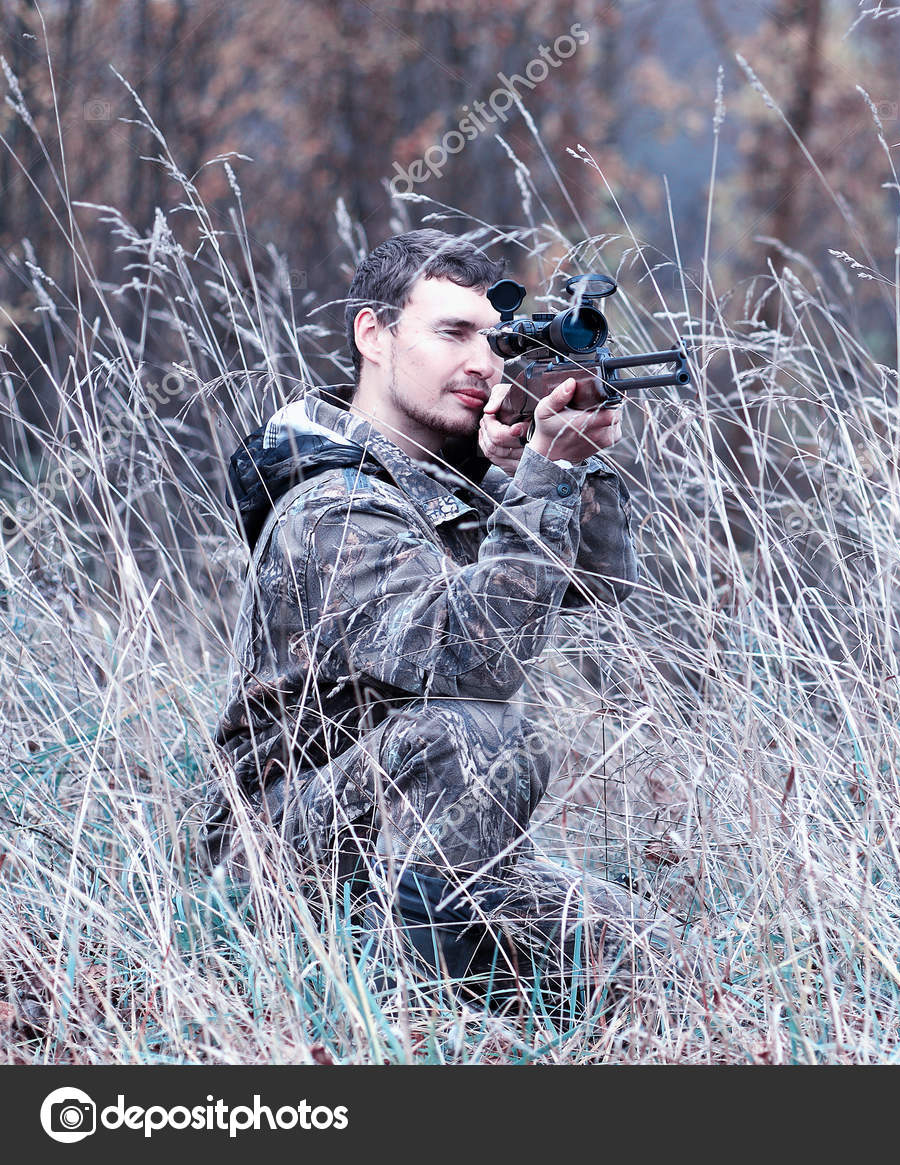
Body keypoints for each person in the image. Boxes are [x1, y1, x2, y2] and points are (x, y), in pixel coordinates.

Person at [202, 229, 692, 1019]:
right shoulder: (330, 502)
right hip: (277, 851)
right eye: (452, 332)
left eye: (494, 341)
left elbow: (601, 580)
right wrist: (542, 474)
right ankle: (420, 1024)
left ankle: (490, 999)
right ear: (373, 334)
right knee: (474, 729)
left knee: (654, 957)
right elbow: (474, 662)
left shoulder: (447, 480)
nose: (481, 362)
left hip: (418, 838)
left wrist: (547, 460)